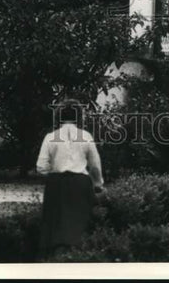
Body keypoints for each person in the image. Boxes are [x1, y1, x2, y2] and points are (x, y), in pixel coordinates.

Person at [36, 99, 104, 258]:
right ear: (79, 116)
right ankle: (77, 257)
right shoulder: (86, 136)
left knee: (56, 225)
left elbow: (41, 166)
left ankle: (56, 258)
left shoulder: (50, 137)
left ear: (59, 116)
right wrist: (98, 184)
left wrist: (54, 173)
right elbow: (94, 166)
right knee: (78, 223)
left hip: (56, 185)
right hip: (80, 184)